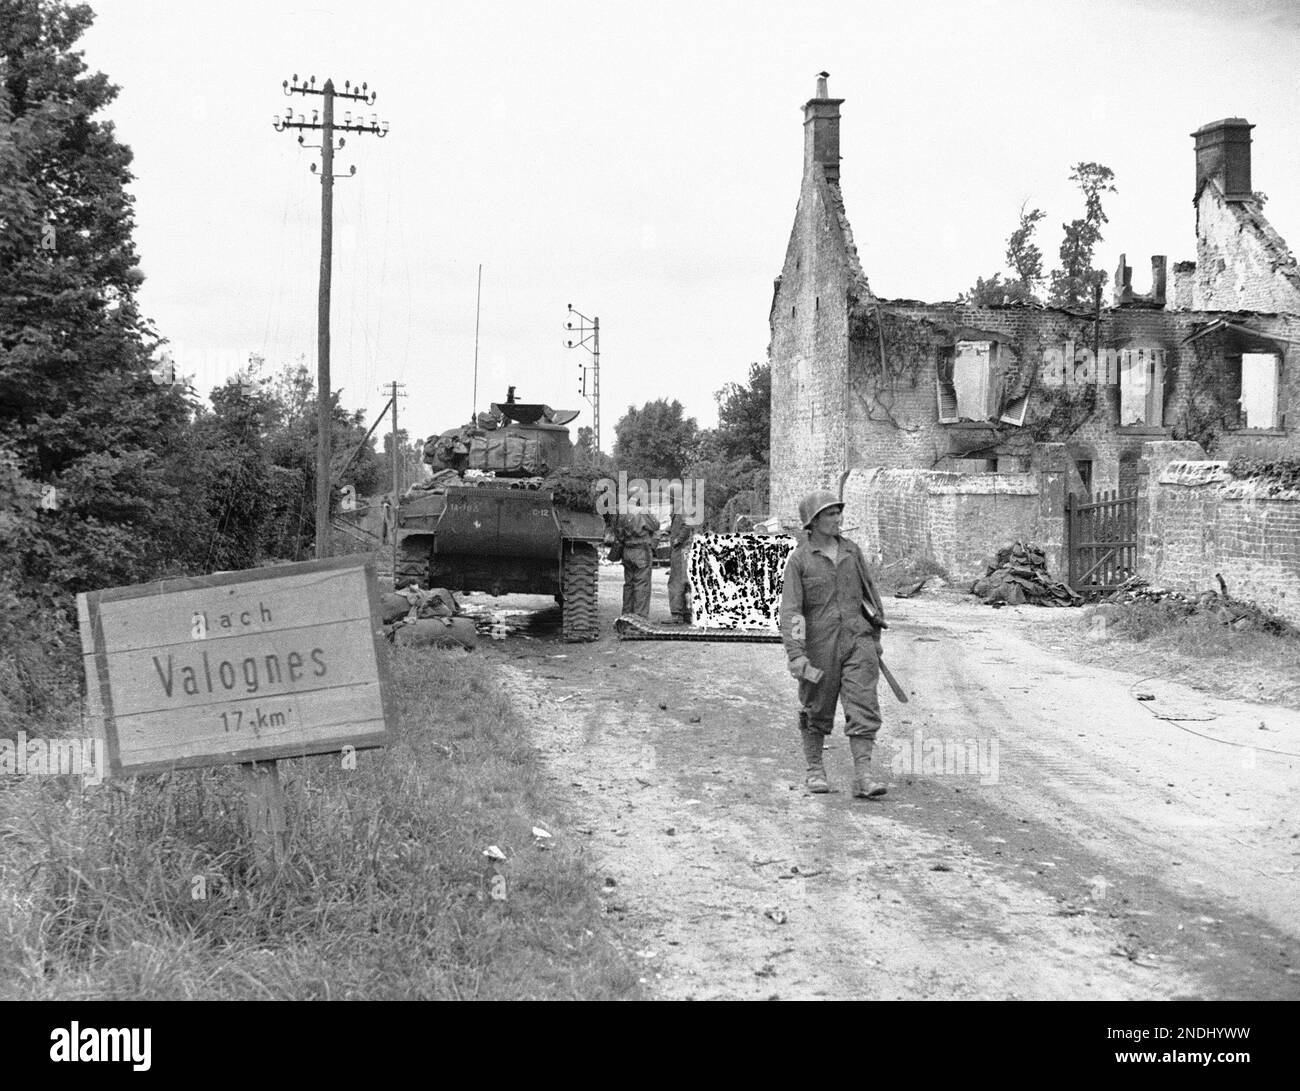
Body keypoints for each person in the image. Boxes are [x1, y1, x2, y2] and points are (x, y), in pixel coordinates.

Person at [779, 490, 888, 799]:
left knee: (864, 706)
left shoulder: (852, 552)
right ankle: (815, 770)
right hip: (819, 648)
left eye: (838, 513)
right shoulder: (800, 561)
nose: (838, 518)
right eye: (830, 514)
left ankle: (864, 777)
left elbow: (870, 596)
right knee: (816, 706)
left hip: (857, 641)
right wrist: (797, 654)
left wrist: (875, 637)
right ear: (812, 522)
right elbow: (792, 611)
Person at [615, 492, 659, 617]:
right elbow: (656, 525)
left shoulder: (622, 512)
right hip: (641, 551)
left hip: (627, 550)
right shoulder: (643, 511)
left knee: (628, 584)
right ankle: (639, 618)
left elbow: (618, 532)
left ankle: (626, 615)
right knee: (641, 584)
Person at [667, 502, 693, 623]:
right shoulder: (680, 510)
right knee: (684, 580)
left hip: (680, 549)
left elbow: (687, 526)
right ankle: (686, 613)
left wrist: (678, 540)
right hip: (682, 549)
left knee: (677, 581)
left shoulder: (681, 510)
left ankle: (677, 614)